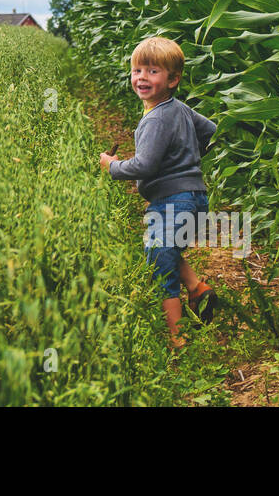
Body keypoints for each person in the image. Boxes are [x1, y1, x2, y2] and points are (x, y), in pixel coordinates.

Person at [99, 35, 217, 348]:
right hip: (193, 196)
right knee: (162, 248)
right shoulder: (180, 110)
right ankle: (197, 289)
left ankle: (177, 341)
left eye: (153, 72)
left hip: (173, 201)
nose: (142, 78)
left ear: (173, 79)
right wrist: (188, 159)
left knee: (159, 264)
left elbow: (145, 166)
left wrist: (112, 166)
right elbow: (213, 133)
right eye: (138, 70)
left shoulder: (155, 118)